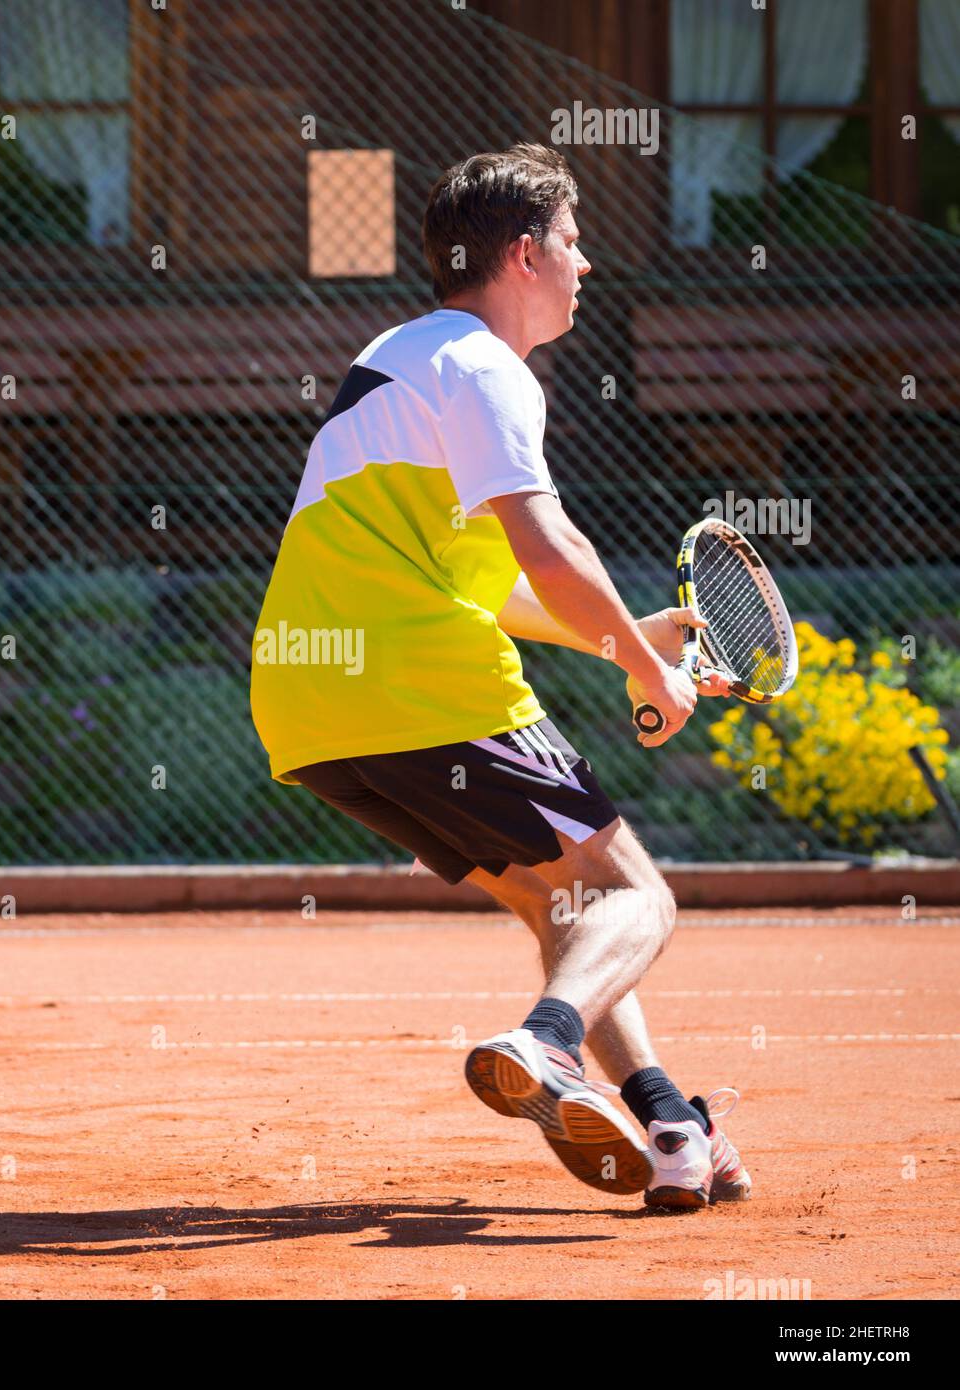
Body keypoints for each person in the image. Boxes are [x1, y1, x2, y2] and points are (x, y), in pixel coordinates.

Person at [249, 144, 749, 1209]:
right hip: (417, 684)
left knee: (566, 904)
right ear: (522, 254)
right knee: (636, 898)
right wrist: (639, 661)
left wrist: (626, 635)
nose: (585, 263)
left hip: (309, 705)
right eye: (570, 242)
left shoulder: (401, 356)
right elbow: (548, 542)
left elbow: (478, 584)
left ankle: (667, 1120)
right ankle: (548, 1044)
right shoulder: (485, 366)